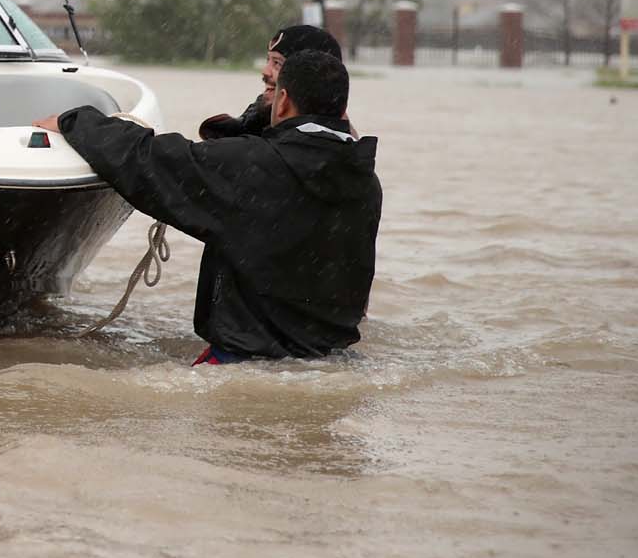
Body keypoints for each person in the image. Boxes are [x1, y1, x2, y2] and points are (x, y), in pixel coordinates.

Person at [35, 50, 381, 363]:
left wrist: (75, 121)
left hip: (248, 363)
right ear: (342, 110)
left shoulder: (254, 165)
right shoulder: (366, 182)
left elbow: (151, 159)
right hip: (334, 362)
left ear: (284, 100)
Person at [198, 23, 345, 140]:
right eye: (268, 60)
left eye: (277, 63)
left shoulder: (325, 143)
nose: (265, 71)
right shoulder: (261, 117)